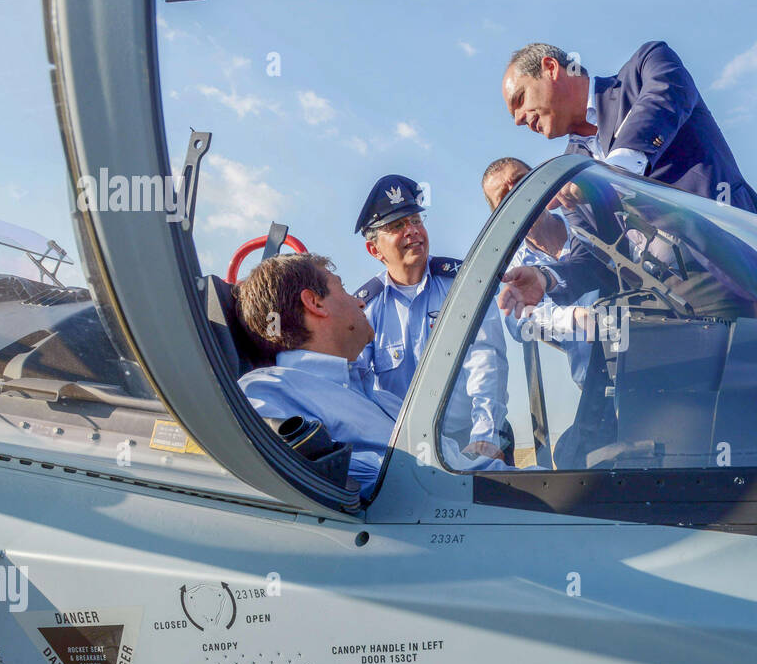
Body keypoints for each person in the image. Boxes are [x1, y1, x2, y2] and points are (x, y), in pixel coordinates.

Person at [498, 41, 757, 312]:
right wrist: (547, 278)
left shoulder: (646, 66)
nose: (518, 120)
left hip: (731, 273)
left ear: (550, 68)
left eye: (519, 100)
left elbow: (664, 97)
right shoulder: (570, 170)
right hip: (659, 310)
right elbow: (592, 262)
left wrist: (607, 176)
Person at [354, 174, 509, 461]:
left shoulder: (464, 282)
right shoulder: (365, 308)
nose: (412, 230)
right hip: (408, 449)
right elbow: (357, 387)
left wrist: (485, 438)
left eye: (416, 220)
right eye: (397, 226)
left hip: (475, 435)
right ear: (374, 249)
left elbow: (487, 359)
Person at [234, 252, 410, 497]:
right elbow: (315, 475)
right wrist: (428, 470)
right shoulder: (267, 389)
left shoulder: (385, 399)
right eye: (344, 289)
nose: (361, 303)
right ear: (314, 303)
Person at [482, 157, 597, 387]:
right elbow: (518, 322)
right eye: (505, 196)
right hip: (595, 384)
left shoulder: (587, 220)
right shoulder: (511, 270)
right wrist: (572, 318)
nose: (519, 194)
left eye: (522, 180)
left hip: (649, 349)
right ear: (498, 215)